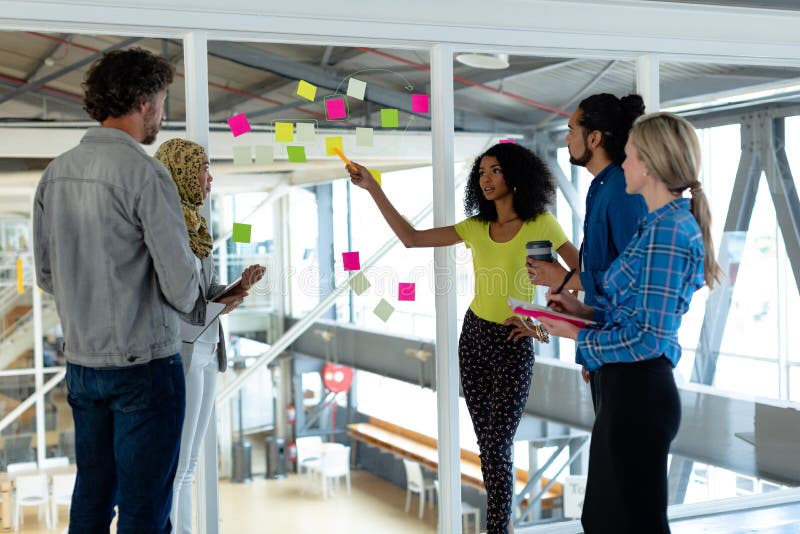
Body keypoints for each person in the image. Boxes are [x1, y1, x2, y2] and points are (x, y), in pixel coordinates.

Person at [347, 143, 579, 534]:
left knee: (497, 445)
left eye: (495, 171)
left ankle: (497, 530)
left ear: (516, 177)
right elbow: (411, 238)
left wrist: (541, 327)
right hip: (473, 337)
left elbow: (581, 277)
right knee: (487, 446)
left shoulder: (542, 224)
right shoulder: (475, 227)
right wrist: (373, 189)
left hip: (513, 341)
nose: (486, 179)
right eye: (482, 173)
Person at [33, 48, 201, 534]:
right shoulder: (147, 175)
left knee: (91, 500)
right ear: (145, 101)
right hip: (144, 370)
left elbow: (46, 276)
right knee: (144, 512)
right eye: (164, 102)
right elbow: (181, 286)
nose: (163, 115)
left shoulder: (55, 174)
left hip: (83, 367)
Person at [538, 112, 723, 533]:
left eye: (631, 154)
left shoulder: (669, 232)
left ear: (650, 163)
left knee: (625, 523)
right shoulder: (654, 225)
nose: (622, 162)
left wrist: (578, 336)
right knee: (606, 519)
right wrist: (583, 313)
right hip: (630, 389)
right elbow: (634, 312)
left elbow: (648, 338)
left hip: (640, 391)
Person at [154, 138, 265, 534]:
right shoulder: (164, 229)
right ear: (181, 173)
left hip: (205, 347)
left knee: (192, 461)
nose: (209, 179)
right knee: (178, 463)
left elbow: (204, 290)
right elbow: (170, 298)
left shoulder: (197, 227)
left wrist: (238, 286)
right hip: (179, 350)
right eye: (202, 169)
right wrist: (220, 304)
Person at [526, 93, 646, 411]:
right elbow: (604, 265)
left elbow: (636, 278)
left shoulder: (623, 189)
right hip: (603, 348)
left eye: (571, 129)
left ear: (593, 137)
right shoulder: (600, 186)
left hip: (624, 353)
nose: (566, 137)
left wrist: (566, 277)